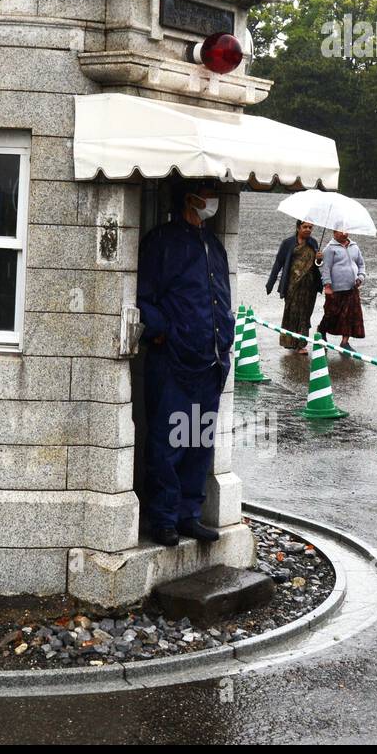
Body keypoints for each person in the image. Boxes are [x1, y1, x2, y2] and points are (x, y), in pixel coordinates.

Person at [135, 180, 235, 548]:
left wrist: (226, 335)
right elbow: (142, 295)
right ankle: (163, 518)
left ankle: (188, 514)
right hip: (174, 361)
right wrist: (163, 331)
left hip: (210, 362)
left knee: (198, 440)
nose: (214, 201)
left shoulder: (215, 247)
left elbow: (221, 297)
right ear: (191, 198)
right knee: (166, 441)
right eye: (208, 194)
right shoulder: (161, 242)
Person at [266, 220, 320, 352]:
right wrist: (271, 283)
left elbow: (317, 265)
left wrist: (319, 258)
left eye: (310, 227)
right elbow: (278, 263)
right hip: (292, 285)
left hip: (309, 287)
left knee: (305, 315)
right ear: (298, 227)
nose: (308, 229)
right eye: (305, 227)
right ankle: (290, 342)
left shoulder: (313, 243)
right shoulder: (288, 243)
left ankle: (301, 344)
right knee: (292, 312)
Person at [315, 228, 366, 352]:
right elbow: (325, 268)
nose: (344, 233)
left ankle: (344, 342)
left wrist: (361, 277)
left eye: (346, 231)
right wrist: (327, 285)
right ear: (334, 232)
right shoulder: (330, 249)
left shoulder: (354, 246)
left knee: (350, 315)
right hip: (335, 289)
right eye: (341, 231)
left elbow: (361, 264)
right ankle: (321, 331)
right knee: (330, 314)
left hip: (352, 287)